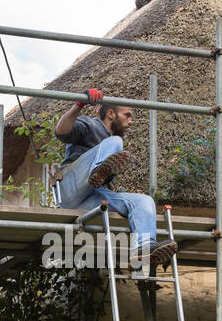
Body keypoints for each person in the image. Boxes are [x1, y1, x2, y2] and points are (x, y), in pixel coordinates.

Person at [54, 88, 178, 270]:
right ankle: (96, 171)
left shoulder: (111, 144)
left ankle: (143, 249)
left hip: (89, 200)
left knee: (144, 201)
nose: (131, 121)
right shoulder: (91, 125)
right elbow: (61, 132)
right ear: (111, 114)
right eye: (127, 115)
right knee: (116, 142)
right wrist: (79, 105)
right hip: (70, 187)